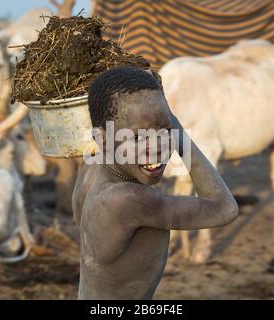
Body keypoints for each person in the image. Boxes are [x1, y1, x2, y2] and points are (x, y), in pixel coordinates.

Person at [72, 67, 238, 299]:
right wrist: (177, 128)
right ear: (102, 139)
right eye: (138, 137)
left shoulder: (91, 167)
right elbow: (225, 208)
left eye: (164, 131)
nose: (158, 147)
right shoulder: (129, 200)